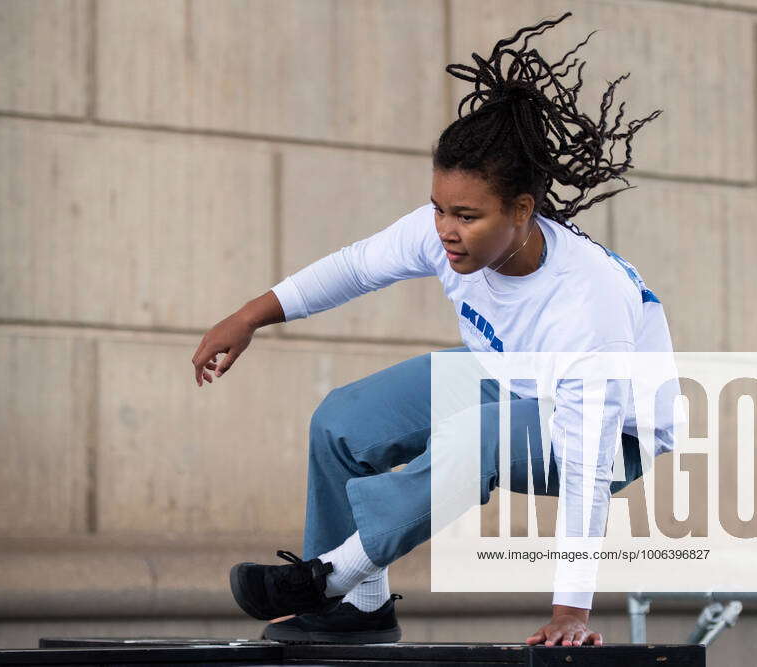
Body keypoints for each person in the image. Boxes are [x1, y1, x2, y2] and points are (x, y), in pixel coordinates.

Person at [192, 11, 675, 647]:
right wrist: (250, 315)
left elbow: (587, 463)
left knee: (476, 437)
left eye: (467, 216)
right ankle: (357, 611)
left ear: (522, 211)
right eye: (440, 208)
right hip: (508, 377)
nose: (446, 230)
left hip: (617, 436)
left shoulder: (588, 308)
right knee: (344, 421)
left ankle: (331, 577)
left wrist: (571, 613)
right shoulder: (443, 229)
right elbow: (356, 267)